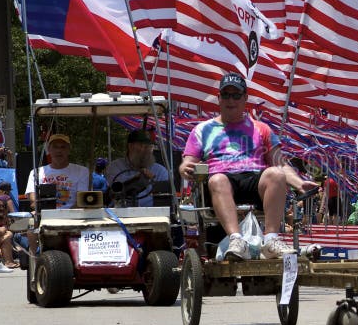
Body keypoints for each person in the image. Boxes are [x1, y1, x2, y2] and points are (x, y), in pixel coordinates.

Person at [179, 72, 319, 260]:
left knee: (276, 174)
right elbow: (187, 163)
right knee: (218, 179)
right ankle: (236, 240)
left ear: (245, 98)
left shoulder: (262, 129)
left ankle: (270, 240)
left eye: (236, 95)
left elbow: (280, 163)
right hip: (221, 182)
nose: (231, 100)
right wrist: (185, 169)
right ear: (219, 98)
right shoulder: (202, 130)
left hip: (255, 180)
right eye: (226, 95)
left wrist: (299, 183)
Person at [25, 134, 89, 253]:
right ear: (49, 150)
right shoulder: (36, 172)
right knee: (30, 227)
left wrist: (66, 215)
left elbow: (82, 199)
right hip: (45, 215)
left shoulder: (82, 171)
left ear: (69, 150)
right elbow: (32, 197)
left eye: (63, 147)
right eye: (55, 147)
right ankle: (34, 260)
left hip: (73, 216)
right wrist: (39, 207)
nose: (59, 150)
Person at [106, 130, 168, 207]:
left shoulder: (160, 171)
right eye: (142, 146)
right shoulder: (115, 167)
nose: (147, 150)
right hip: (121, 215)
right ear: (130, 146)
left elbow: (164, 201)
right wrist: (137, 179)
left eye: (150, 147)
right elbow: (117, 190)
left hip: (151, 216)